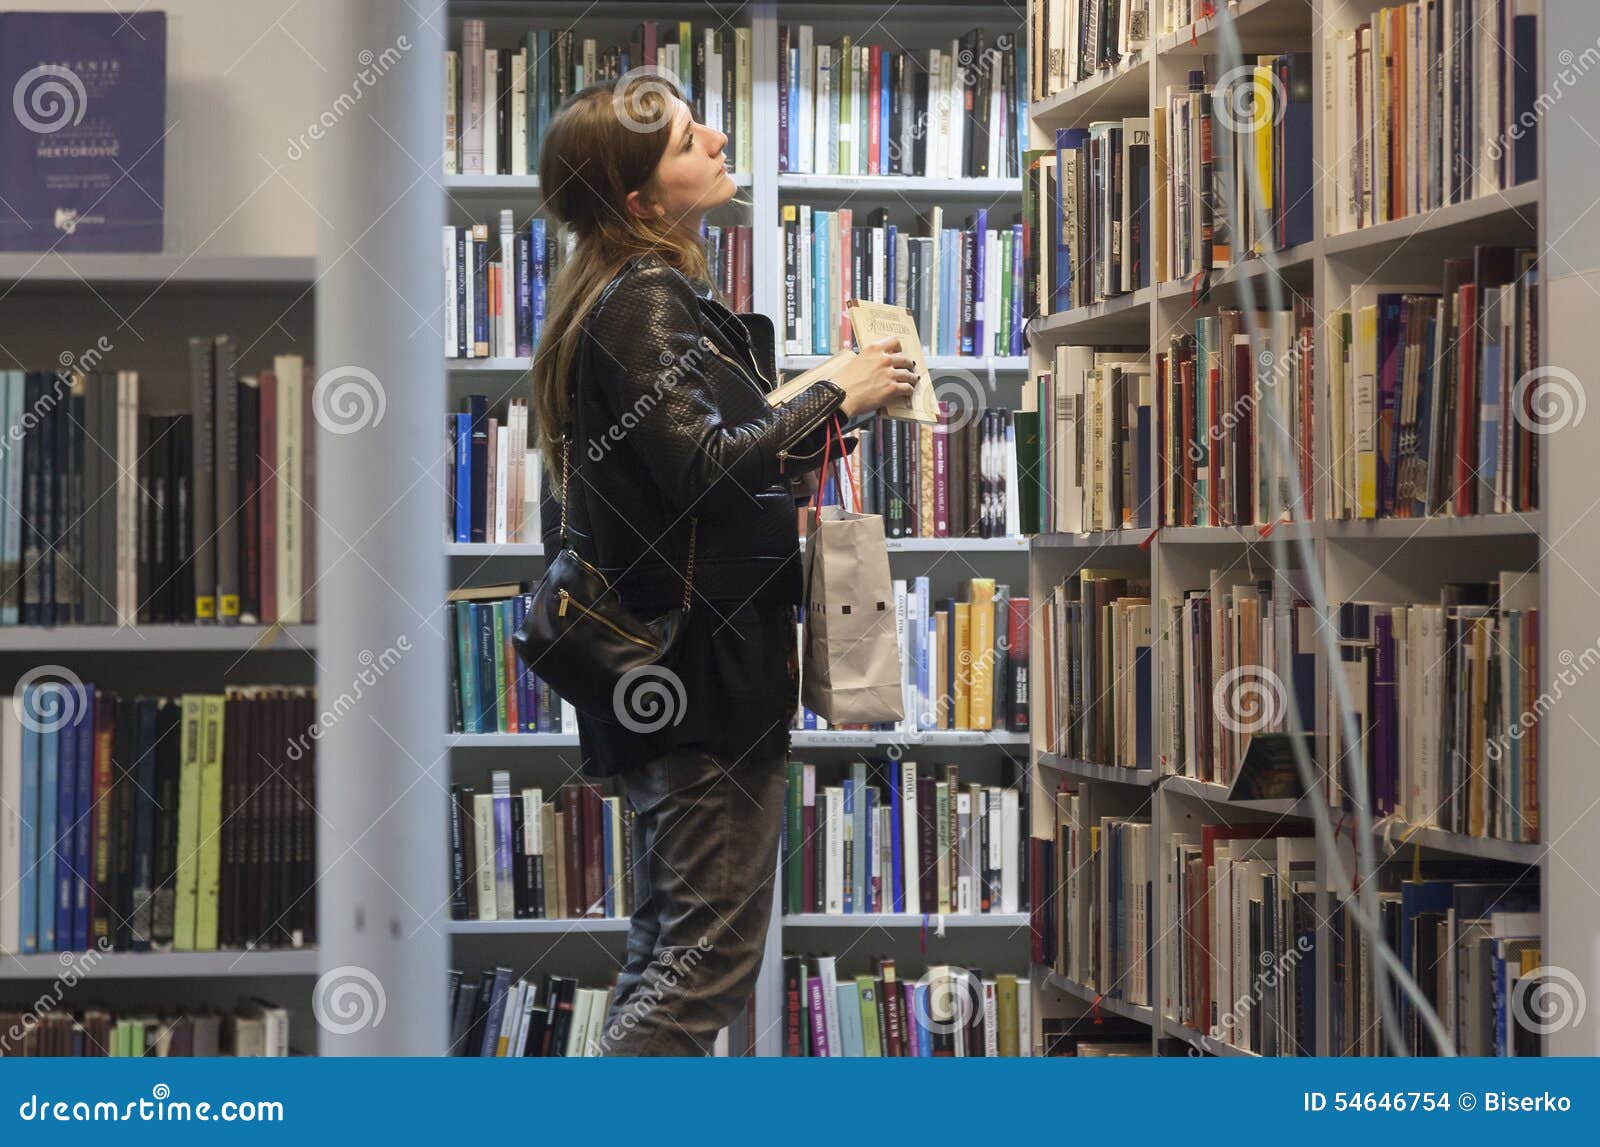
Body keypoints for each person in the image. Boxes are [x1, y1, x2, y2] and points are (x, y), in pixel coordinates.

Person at [529, 73, 916, 1055]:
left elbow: (693, 465)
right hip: (699, 672)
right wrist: (835, 391)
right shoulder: (647, 297)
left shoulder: (630, 294)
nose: (712, 137)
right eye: (682, 140)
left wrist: (826, 398)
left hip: (678, 670)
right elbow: (705, 465)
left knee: (672, 949)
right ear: (638, 201)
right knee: (702, 962)